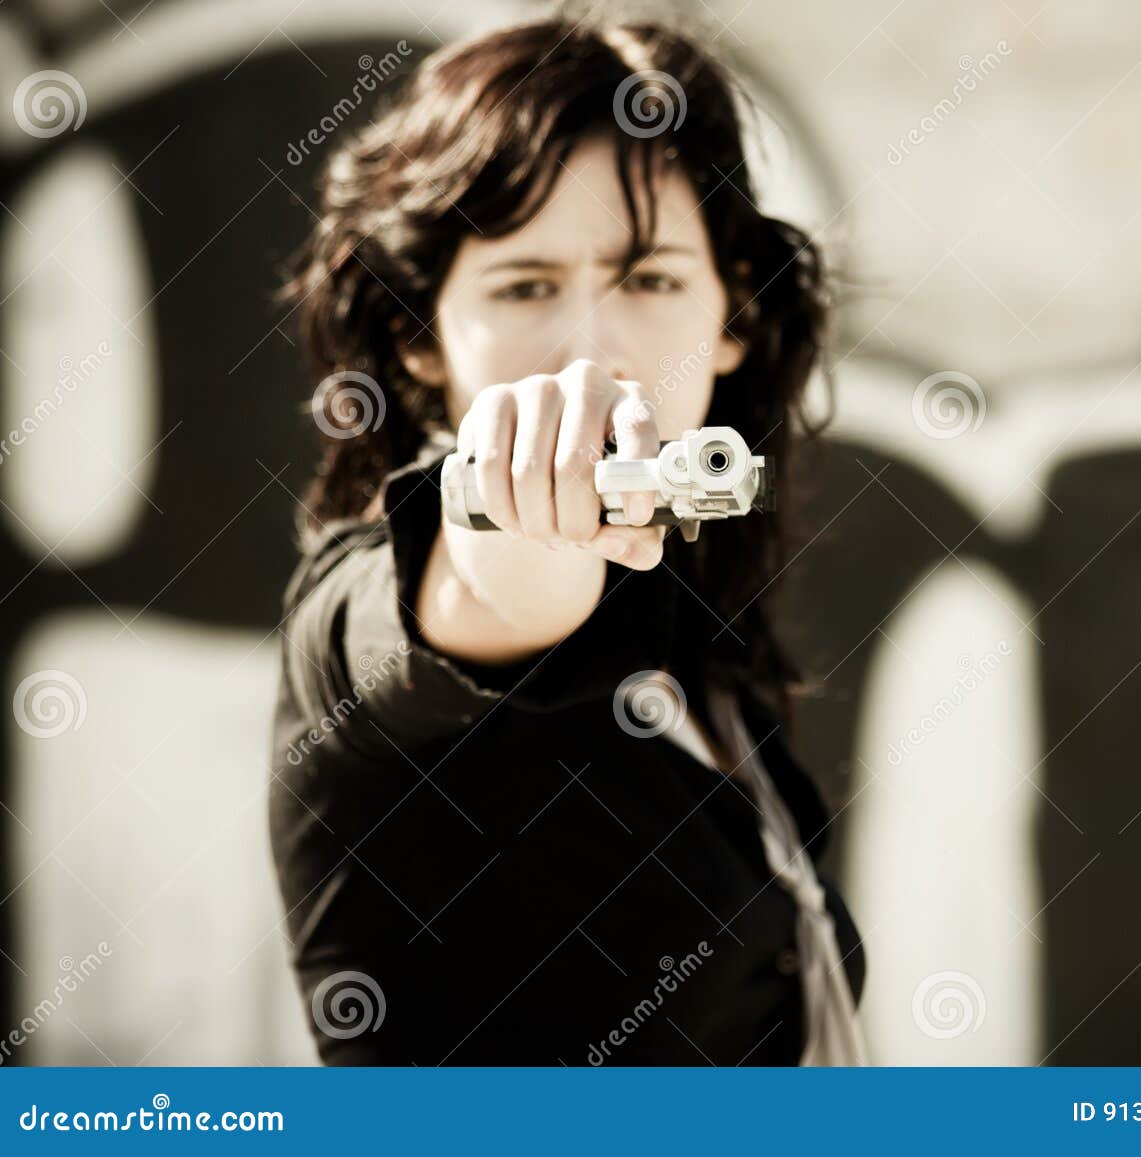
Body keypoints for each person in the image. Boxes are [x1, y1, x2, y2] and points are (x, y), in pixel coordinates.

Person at [267, 12, 868, 1065]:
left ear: (732, 312)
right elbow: (473, 601)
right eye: (524, 285)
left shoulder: (695, 640)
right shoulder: (367, 598)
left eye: (650, 278)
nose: (591, 351)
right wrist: (514, 543)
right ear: (417, 335)